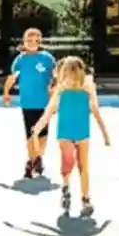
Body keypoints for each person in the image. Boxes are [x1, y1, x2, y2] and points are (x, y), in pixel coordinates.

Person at [31, 56, 111, 217]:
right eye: (67, 74)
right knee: (68, 162)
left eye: (73, 74)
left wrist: (105, 134)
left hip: (83, 133)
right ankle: (66, 186)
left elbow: (95, 111)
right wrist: (37, 129)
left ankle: (85, 198)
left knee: (83, 166)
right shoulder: (60, 90)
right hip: (65, 133)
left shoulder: (87, 88)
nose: (71, 79)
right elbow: (49, 112)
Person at [2, 27, 57, 178]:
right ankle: (32, 159)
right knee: (30, 133)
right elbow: (12, 77)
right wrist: (6, 92)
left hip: (44, 102)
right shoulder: (20, 60)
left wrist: (55, 95)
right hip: (27, 102)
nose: (32, 43)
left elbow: (55, 78)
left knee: (43, 134)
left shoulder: (47, 59)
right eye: (29, 40)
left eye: (36, 40)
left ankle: (38, 156)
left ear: (40, 42)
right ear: (24, 42)